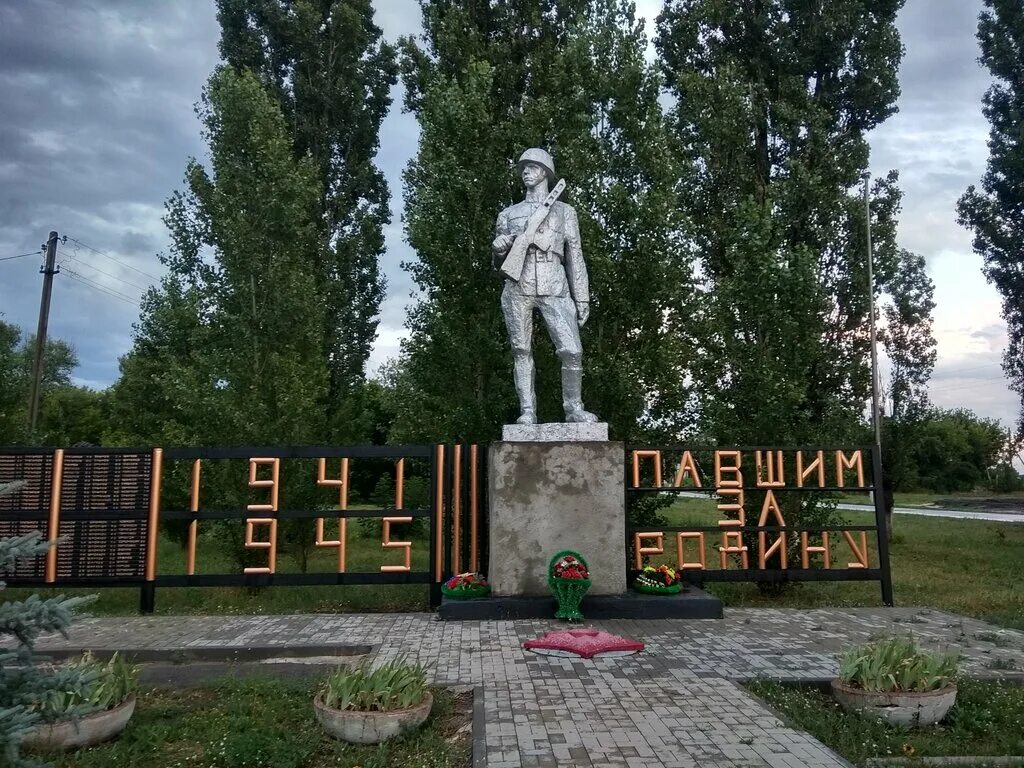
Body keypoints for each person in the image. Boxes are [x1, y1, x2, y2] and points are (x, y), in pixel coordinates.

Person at [492, 148, 598, 425]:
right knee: (521, 350)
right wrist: (499, 249)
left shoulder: (565, 212)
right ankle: (527, 411)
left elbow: (575, 256)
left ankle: (574, 408)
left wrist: (582, 298)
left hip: (555, 283)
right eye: (523, 168)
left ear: (546, 173)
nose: (526, 171)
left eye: (532, 167)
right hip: (519, 284)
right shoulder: (508, 214)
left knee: (572, 350)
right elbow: (498, 263)